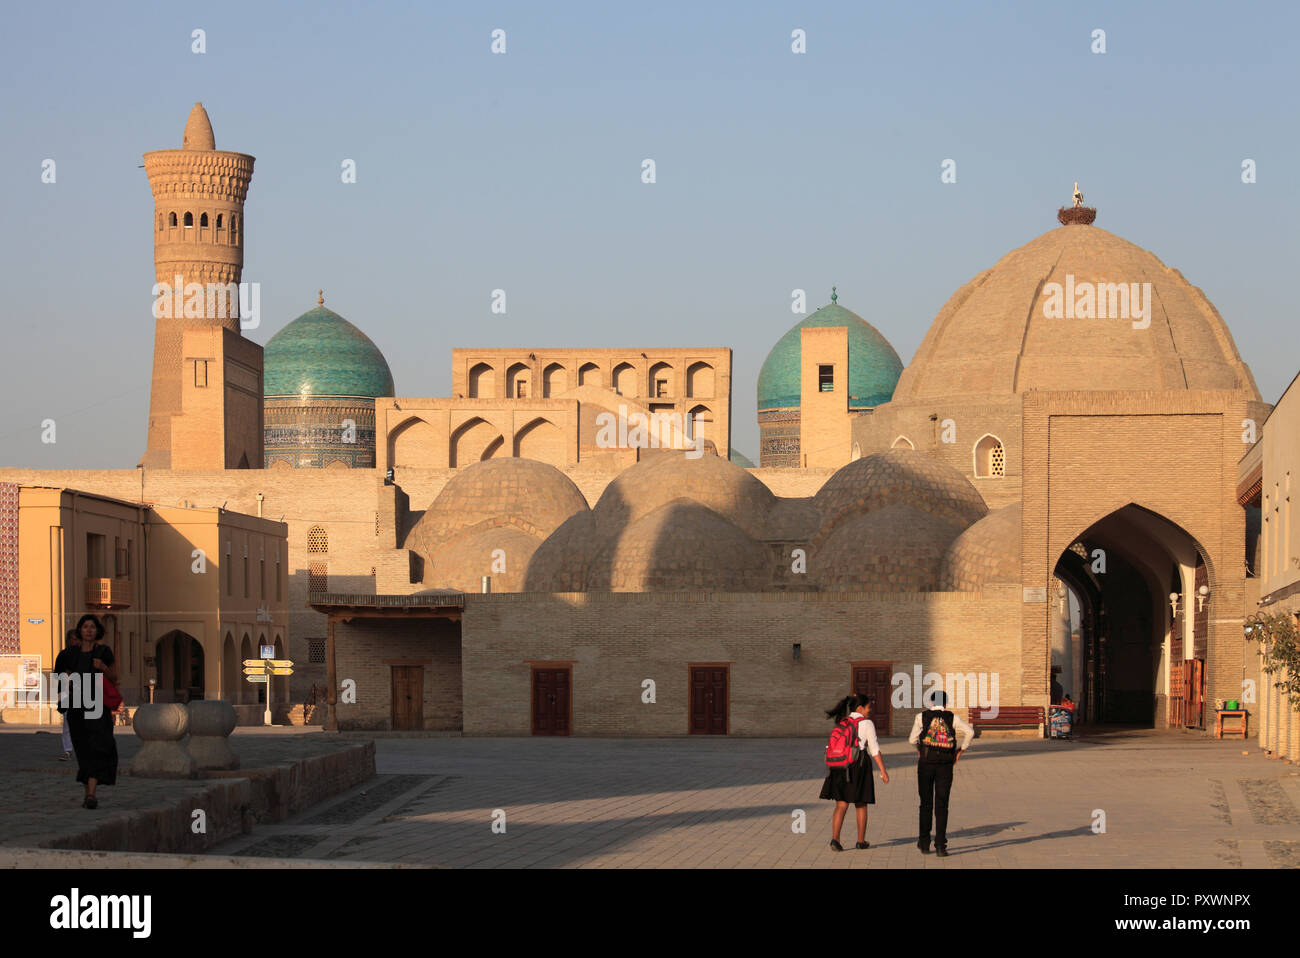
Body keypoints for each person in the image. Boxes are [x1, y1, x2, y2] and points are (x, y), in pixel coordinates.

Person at [53, 614, 119, 809]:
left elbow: (115, 678)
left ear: (97, 631)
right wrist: (67, 682)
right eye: (85, 627)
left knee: (99, 746)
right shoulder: (69, 654)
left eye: (92, 627)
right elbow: (59, 679)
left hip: (97, 708)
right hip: (76, 708)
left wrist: (103, 668)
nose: (89, 630)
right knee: (83, 749)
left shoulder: (104, 652)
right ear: (79, 631)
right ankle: (89, 794)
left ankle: (91, 794)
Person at [819, 693, 889, 851]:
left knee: (841, 805)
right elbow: (875, 749)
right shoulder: (866, 724)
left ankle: (835, 840)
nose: (870, 710)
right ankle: (860, 841)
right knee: (861, 804)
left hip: (839, 766)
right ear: (860, 708)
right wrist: (883, 771)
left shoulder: (842, 721)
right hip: (858, 765)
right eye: (868, 707)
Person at [907, 690, 973, 857]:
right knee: (942, 804)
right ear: (946, 703)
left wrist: (919, 751)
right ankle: (941, 846)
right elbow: (970, 732)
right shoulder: (953, 718)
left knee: (926, 803)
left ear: (930, 702)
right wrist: (960, 751)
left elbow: (911, 740)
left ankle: (924, 843)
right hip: (945, 765)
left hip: (926, 764)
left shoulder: (921, 717)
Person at [58, 629, 76, 760]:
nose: (74, 642)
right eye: (72, 639)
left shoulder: (86, 655)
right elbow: (57, 675)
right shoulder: (63, 655)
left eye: (77, 639)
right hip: (66, 693)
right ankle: (68, 750)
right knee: (67, 723)